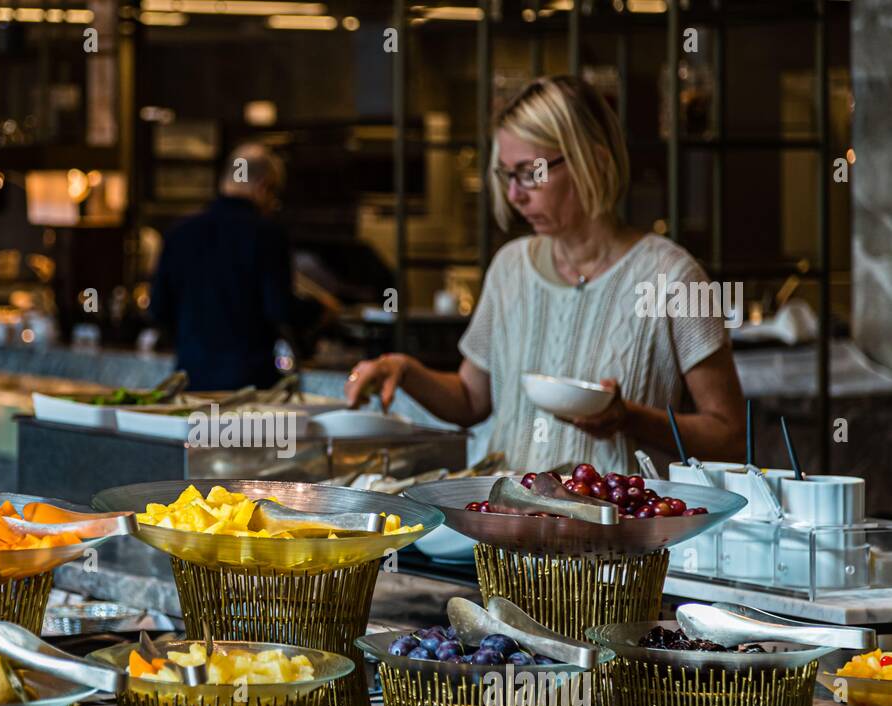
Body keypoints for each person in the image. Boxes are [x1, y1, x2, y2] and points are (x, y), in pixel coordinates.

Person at [344, 76, 746, 475]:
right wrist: (406, 371)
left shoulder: (674, 277)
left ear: (593, 160)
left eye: (530, 173)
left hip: (619, 533)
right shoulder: (510, 268)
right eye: (506, 175)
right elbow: (470, 399)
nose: (515, 195)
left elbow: (729, 437)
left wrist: (629, 418)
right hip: (505, 528)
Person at [151, 143, 299, 391]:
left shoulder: (179, 233)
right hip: (249, 387)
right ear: (264, 186)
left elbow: (158, 310)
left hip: (191, 380)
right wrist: (321, 313)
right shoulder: (267, 235)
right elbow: (280, 310)